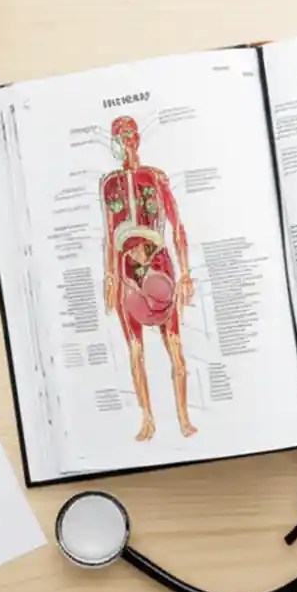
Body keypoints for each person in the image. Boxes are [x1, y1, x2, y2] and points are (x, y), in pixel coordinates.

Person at [100, 115, 196, 441]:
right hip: (126, 269)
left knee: (175, 346)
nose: (125, 142)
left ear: (138, 138)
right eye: (120, 136)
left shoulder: (154, 178)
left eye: (130, 134)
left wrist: (186, 273)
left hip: (159, 265)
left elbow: (177, 225)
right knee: (135, 350)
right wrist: (110, 276)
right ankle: (147, 419)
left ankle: (184, 418)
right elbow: (109, 233)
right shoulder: (109, 184)